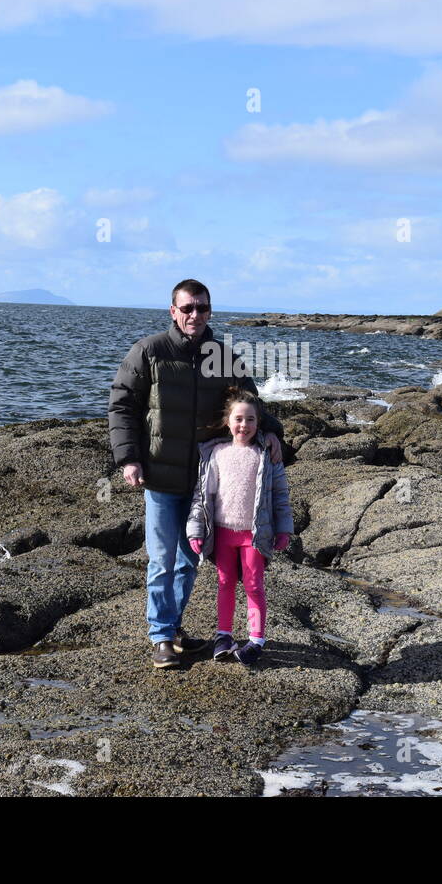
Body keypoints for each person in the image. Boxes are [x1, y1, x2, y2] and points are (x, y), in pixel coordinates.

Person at [108, 279, 285, 670]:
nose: (195, 315)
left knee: (189, 560)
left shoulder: (222, 357)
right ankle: (160, 637)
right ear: (173, 311)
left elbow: (249, 403)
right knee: (160, 560)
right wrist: (129, 458)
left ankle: (174, 629)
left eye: (202, 309)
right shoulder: (149, 351)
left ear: (210, 311)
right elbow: (122, 406)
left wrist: (272, 431)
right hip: (159, 478)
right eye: (187, 308)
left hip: (205, 483)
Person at [186, 388, 293, 667]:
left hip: (254, 534)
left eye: (250, 420)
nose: (243, 425)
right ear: (228, 421)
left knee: (254, 585)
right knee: (224, 583)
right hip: (222, 532)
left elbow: (280, 495)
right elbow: (201, 496)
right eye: (238, 419)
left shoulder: (265, 455)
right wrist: (195, 530)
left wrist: (284, 529)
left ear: (259, 423)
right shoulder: (215, 454)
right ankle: (224, 635)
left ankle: (256, 639)